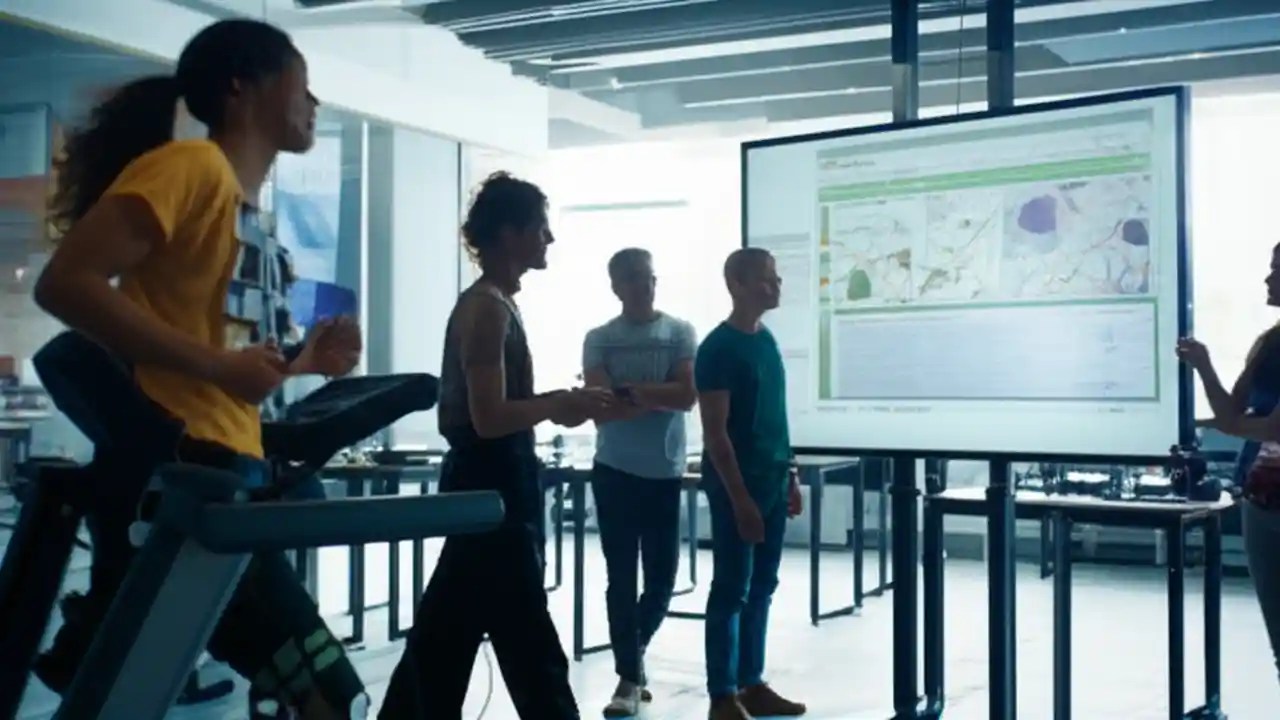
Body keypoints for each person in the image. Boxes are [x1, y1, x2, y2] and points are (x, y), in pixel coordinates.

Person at [34, 19, 365, 720]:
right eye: (302, 86)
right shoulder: (192, 169)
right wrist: (219, 363)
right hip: (185, 478)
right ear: (242, 88)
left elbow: (234, 366)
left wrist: (307, 362)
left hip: (228, 478)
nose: (315, 104)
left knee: (130, 693)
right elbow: (66, 285)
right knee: (328, 698)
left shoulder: (250, 214)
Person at [378, 172, 614, 720]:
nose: (548, 239)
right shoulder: (486, 309)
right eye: (540, 228)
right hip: (491, 486)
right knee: (526, 642)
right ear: (509, 233)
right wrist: (556, 404)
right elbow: (488, 419)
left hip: (492, 482)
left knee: (445, 636)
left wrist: (562, 405)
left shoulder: (496, 303)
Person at [582, 248, 698, 716]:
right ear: (615, 286)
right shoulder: (600, 338)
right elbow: (599, 403)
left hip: (664, 472)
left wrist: (629, 394)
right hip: (614, 471)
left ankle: (633, 661)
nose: (642, 286)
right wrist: (656, 395)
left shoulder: (678, 332)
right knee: (621, 579)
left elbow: (687, 395)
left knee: (662, 580)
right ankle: (628, 679)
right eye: (631, 279)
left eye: (648, 277)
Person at [694, 247, 806, 720]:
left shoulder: (767, 340)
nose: (775, 286)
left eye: (776, 278)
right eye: (766, 279)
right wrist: (740, 500)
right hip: (735, 488)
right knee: (732, 588)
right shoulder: (717, 349)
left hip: (773, 481)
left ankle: (751, 682)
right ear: (736, 284)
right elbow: (716, 434)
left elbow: (775, 418)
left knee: (763, 585)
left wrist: (792, 474)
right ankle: (722, 695)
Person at [1177, 241, 1280, 683]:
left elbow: (1270, 428)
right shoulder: (1268, 345)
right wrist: (1203, 367)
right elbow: (1229, 417)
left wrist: (1242, 425)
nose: (1268, 278)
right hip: (1262, 505)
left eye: (1277, 270)